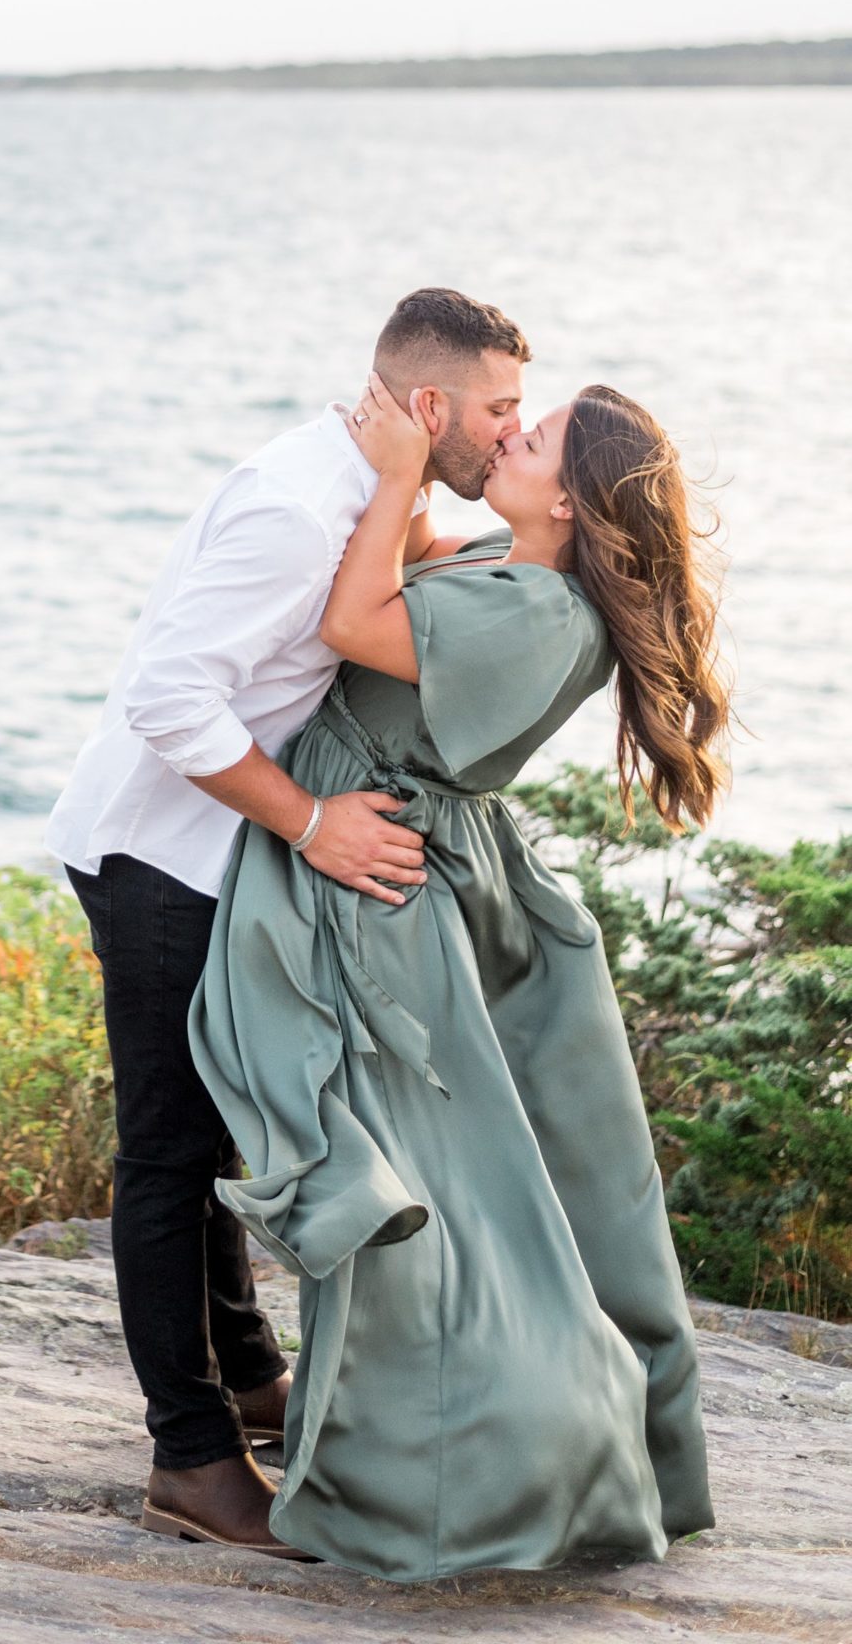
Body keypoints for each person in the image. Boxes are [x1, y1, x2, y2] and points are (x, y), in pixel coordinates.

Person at [186, 372, 731, 1579]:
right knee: (420, 1175)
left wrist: (389, 473)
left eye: (527, 437)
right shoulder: (518, 563)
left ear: (572, 504)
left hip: (373, 870)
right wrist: (415, 461)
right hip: (375, 845)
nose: (507, 439)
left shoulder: (543, 609)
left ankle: (475, 1470)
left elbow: (353, 625)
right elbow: (423, 556)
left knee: (417, 1190)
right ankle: (417, 1438)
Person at [46, 288, 532, 1551]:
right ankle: (190, 1458)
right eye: (499, 410)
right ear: (428, 408)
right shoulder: (290, 508)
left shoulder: (355, 483)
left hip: (213, 857)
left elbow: (357, 596)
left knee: (215, 1128)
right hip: (159, 855)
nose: (511, 429)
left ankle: (248, 1374)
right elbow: (168, 699)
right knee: (166, 1153)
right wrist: (309, 825)